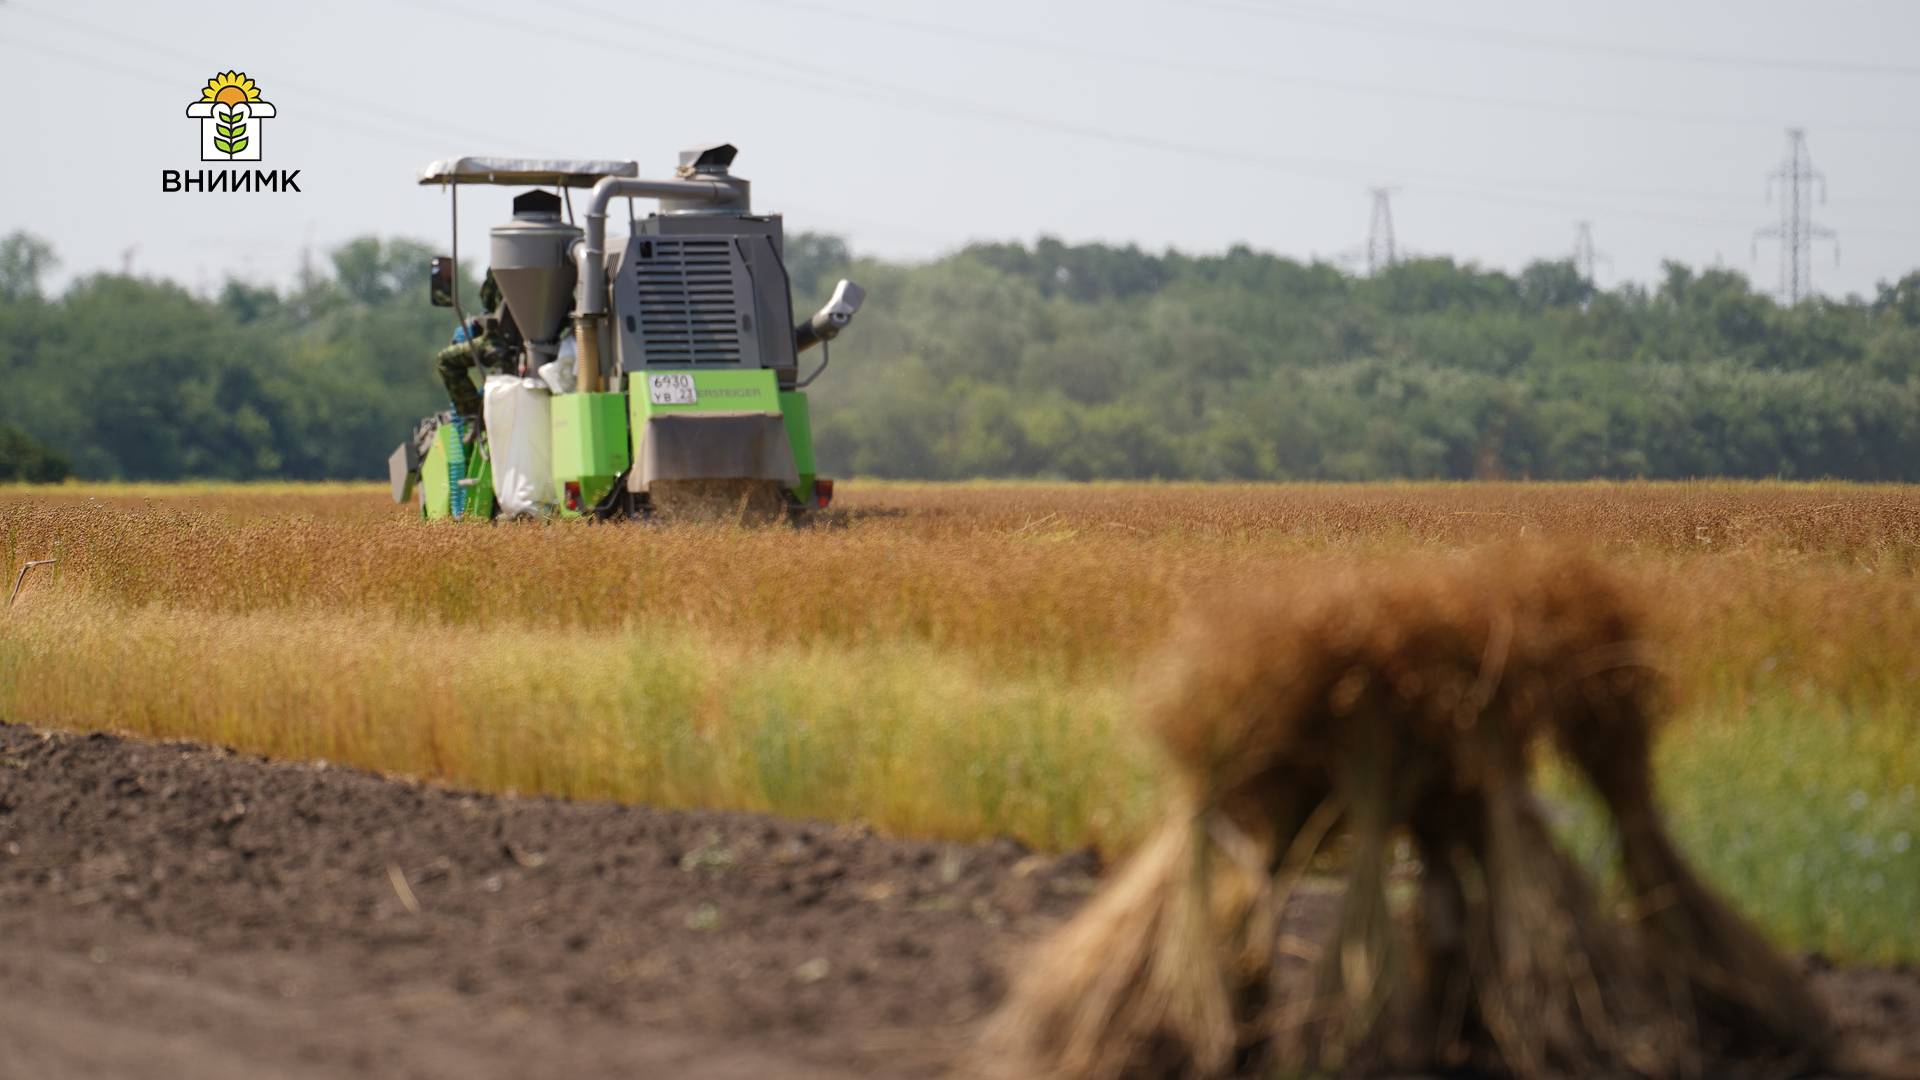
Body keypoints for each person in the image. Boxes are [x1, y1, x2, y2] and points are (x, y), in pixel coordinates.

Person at [435, 271, 522, 424]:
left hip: (498, 343)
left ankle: (475, 419)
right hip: (554, 342)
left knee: (446, 360)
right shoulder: (559, 263)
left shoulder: (501, 266)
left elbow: (487, 299)